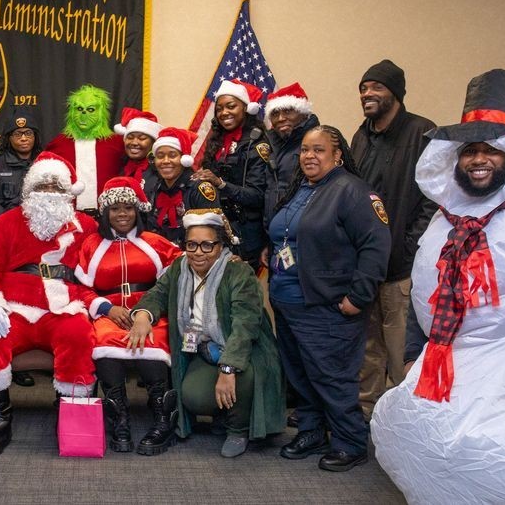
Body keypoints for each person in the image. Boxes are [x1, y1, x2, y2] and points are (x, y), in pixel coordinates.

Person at [372, 70, 505, 504]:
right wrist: (417, 350)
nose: (479, 160)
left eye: (491, 150)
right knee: (415, 436)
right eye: (470, 151)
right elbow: (427, 287)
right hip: (448, 361)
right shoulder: (446, 214)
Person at [268, 125, 390, 472]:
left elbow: (376, 245)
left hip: (328, 305)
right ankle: (311, 432)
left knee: (332, 376)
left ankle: (350, 442)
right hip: (289, 301)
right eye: (305, 150)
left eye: (319, 150)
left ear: (338, 155)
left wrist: (358, 296)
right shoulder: (300, 189)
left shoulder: (351, 191)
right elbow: (287, 234)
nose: (309, 156)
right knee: (301, 375)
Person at [0, 152, 98, 456]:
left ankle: (73, 412)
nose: (49, 193)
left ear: (68, 193)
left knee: (79, 337)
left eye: (56, 187)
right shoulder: (5, 223)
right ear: (28, 191)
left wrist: (85, 303)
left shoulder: (86, 226)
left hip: (63, 307)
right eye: (42, 186)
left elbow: (92, 275)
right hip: (14, 306)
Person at [130, 210, 286, 458]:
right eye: (192, 244)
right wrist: (142, 315)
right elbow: (157, 294)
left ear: (221, 245)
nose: (198, 252)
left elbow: (245, 327)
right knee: (193, 396)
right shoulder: (180, 267)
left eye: (207, 245)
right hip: (205, 349)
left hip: (244, 350)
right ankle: (224, 414)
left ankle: (238, 429)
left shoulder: (238, 272)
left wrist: (227, 369)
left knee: (239, 378)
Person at [349, 60, 438, 421]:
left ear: (396, 93)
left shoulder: (423, 132)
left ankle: (403, 422)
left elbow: (434, 198)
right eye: (363, 88)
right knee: (367, 350)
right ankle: (364, 415)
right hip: (365, 266)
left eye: (376, 87)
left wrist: (409, 247)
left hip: (402, 267)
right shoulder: (361, 134)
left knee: (402, 350)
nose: (368, 94)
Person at [74, 177, 181, 455]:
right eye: (115, 209)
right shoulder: (91, 245)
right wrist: (106, 308)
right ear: (105, 213)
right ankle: (119, 418)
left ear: (138, 210)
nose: (122, 214)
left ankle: (162, 418)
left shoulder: (155, 242)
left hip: (150, 311)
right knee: (105, 341)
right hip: (110, 313)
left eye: (128, 208)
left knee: (153, 342)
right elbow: (79, 289)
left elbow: (179, 275)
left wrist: (147, 312)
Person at [193, 79, 270, 269]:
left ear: (245, 108)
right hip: (218, 233)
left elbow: (257, 196)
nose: (224, 113)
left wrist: (219, 183)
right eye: (219, 109)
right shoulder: (216, 141)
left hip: (246, 236)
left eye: (231, 106)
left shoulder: (256, 143)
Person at [45, 84, 126, 214]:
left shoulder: (116, 144)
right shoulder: (59, 144)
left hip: (109, 217)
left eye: (91, 110)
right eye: (79, 109)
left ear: (101, 112)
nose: (84, 114)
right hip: (69, 217)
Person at [143, 127, 220, 247]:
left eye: (172, 155)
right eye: (160, 156)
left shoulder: (200, 189)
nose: (165, 161)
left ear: (184, 159)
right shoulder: (155, 189)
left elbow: (212, 234)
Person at [261, 82, 320, 227]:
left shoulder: (320, 141)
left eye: (288, 111)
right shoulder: (268, 144)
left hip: (305, 231)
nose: (281, 118)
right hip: (275, 233)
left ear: (303, 113)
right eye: (275, 114)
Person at [0, 110, 42, 219]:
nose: (24, 138)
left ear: (35, 136)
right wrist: (6, 216)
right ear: (9, 138)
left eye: (28, 133)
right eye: (17, 134)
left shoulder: (45, 162)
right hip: (1, 223)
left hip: (38, 224)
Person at [113, 107, 162, 184]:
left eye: (142, 138)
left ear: (153, 142)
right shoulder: (120, 166)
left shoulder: (161, 170)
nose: (134, 142)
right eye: (130, 137)